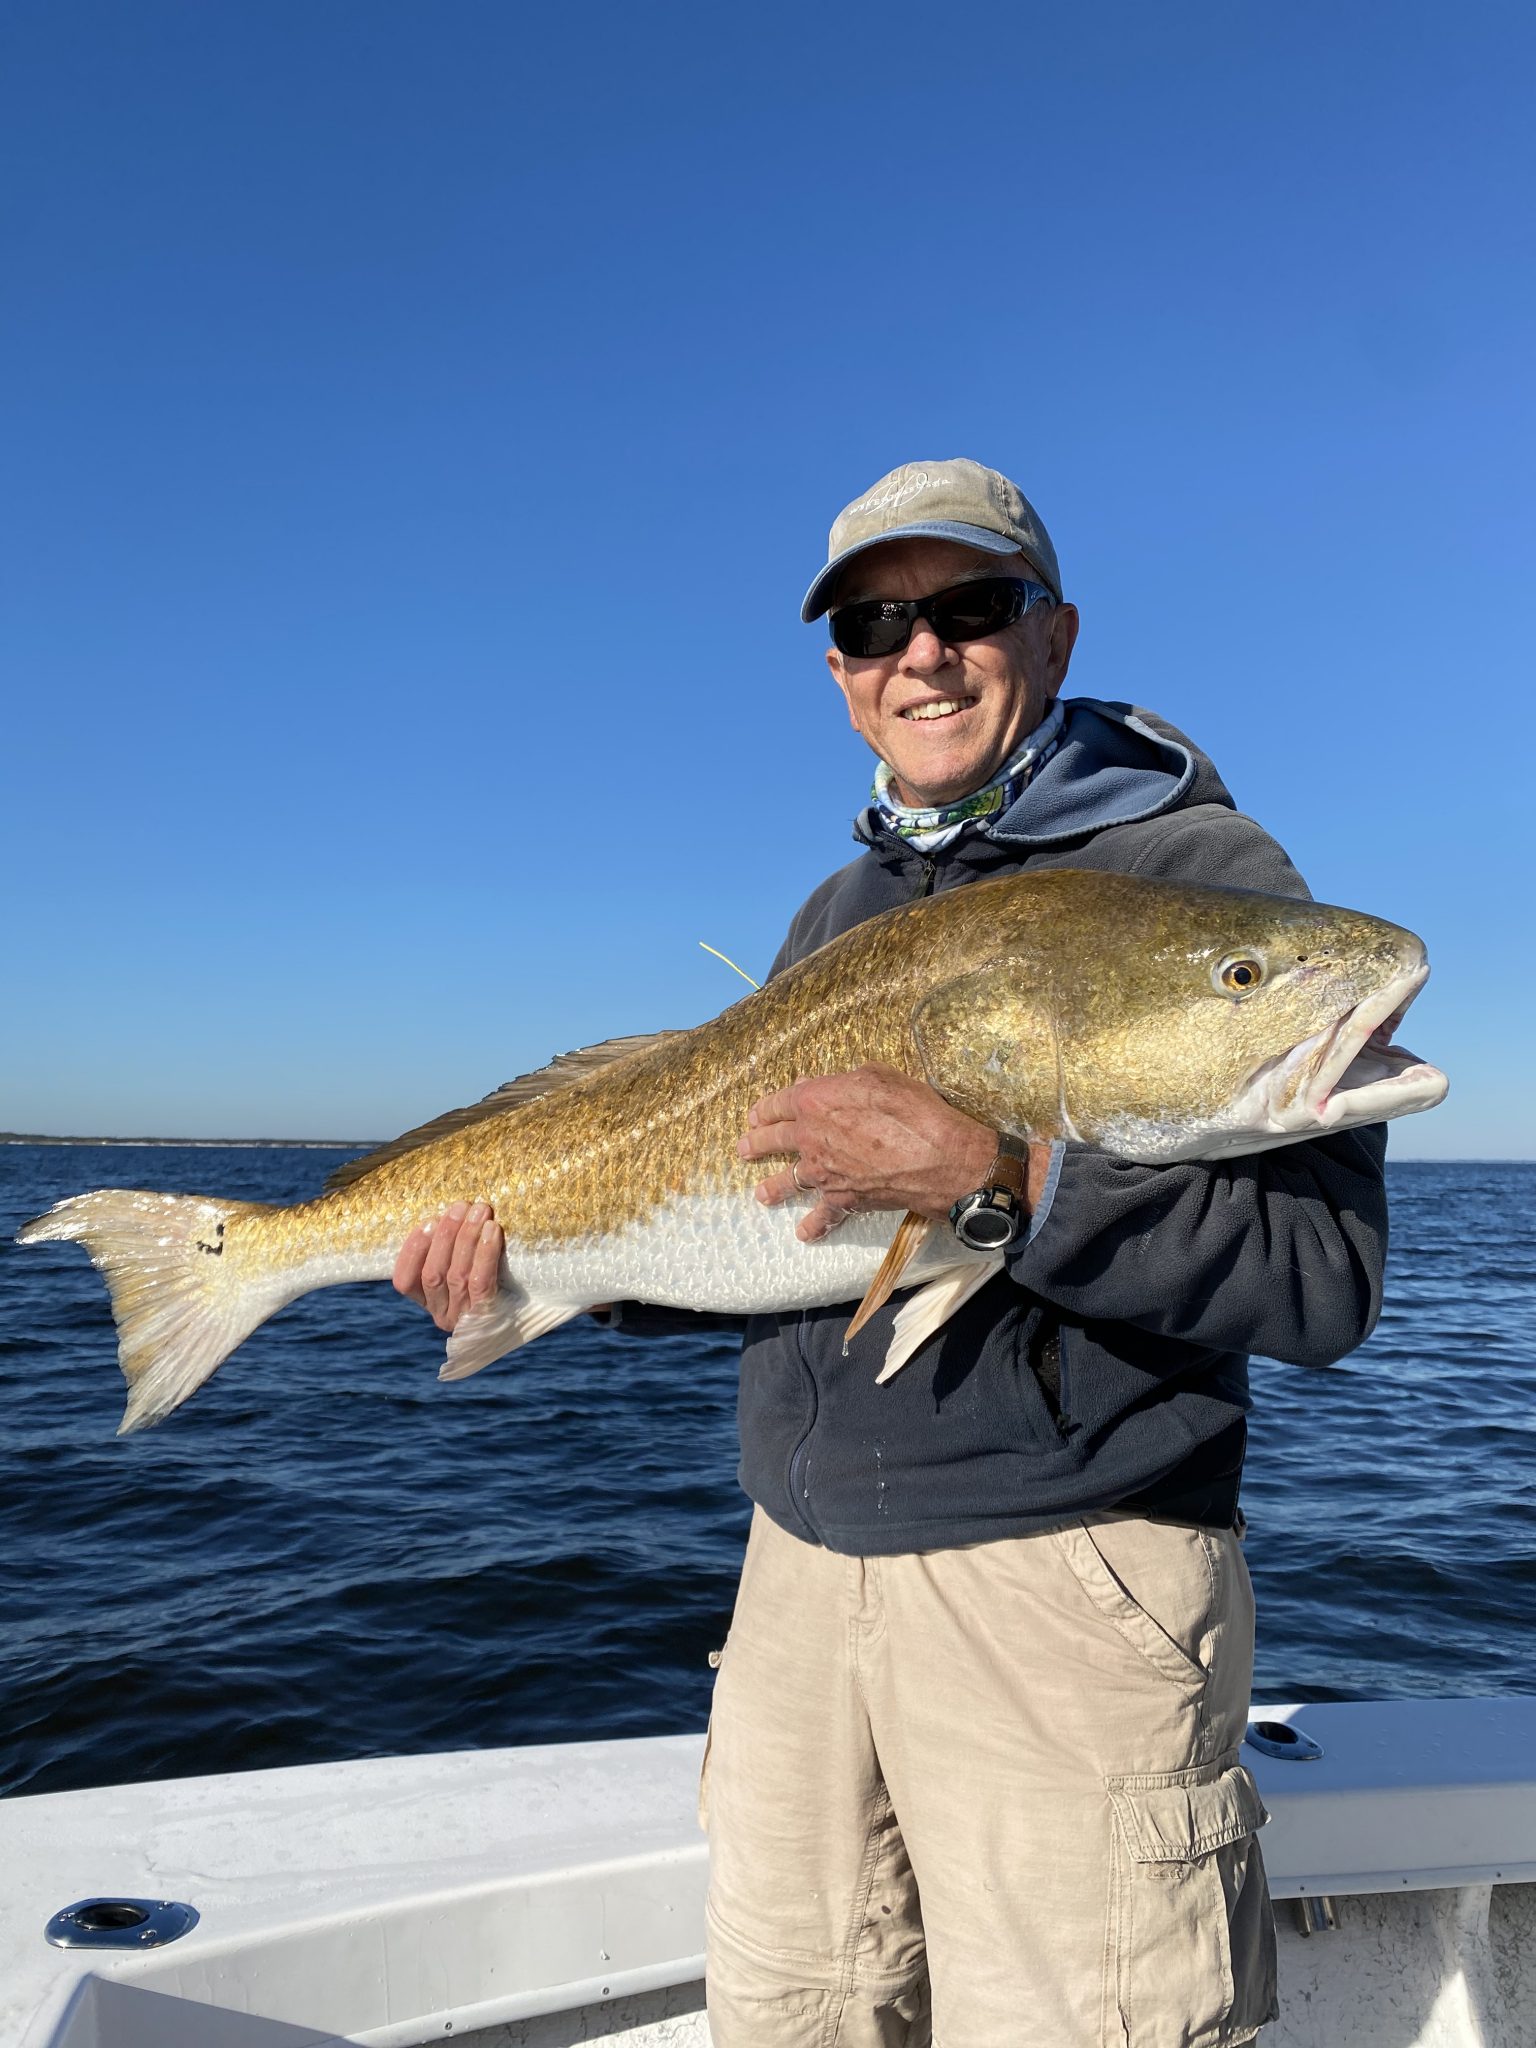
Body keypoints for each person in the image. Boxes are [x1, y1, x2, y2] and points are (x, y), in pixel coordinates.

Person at [394, 459, 1388, 2046]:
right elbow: (769, 1230)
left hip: (1066, 1586)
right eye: (872, 624)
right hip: (795, 1582)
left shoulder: (1201, 879)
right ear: (842, 672)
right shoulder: (839, 909)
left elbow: (1320, 1281)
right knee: (798, 2018)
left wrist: (1004, 1180)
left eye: (970, 607)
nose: (921, 653)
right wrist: (539, 1275)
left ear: (1053, 634)